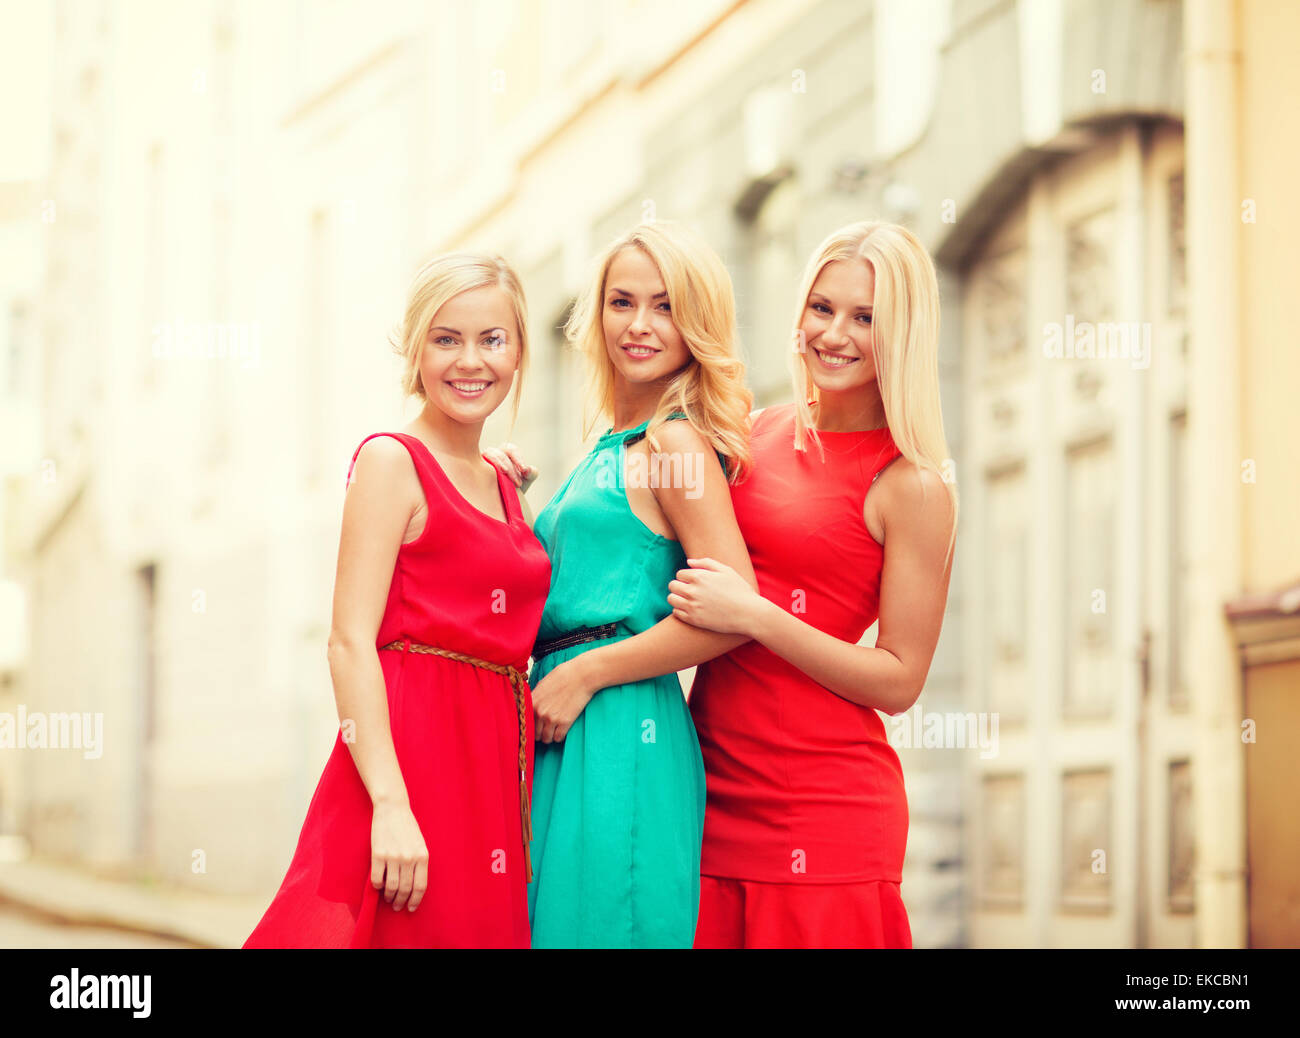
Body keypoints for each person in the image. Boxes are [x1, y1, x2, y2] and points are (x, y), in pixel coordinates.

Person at [663, 220, 958, 948]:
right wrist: (507, 490)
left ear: (903, 332)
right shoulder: (751, 433)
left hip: (822, 814)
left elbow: (898, 680)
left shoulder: (913, 485)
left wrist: (757, 616)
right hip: (708, 791)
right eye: (822, 308)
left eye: (866, 317)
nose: (835, 334)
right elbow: (652, 525)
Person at [243, 253, 551, 948]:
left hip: (493, 768)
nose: (470, 361)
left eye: (492, 340)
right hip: (410, 763)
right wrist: (389, 802)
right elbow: (348, 641)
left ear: (519, 351)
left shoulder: (501, 482)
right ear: (415, 350)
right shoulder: (390, 461)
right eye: (446, 339)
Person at [497, 221, 757, 948]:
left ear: (695, 323)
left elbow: (736, 609)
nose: (639, 325)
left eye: (666, 306)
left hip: (618, 728)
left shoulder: (673, 441)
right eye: (622, 301)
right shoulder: (608, 446)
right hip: (566, 722)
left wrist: (586, 674)